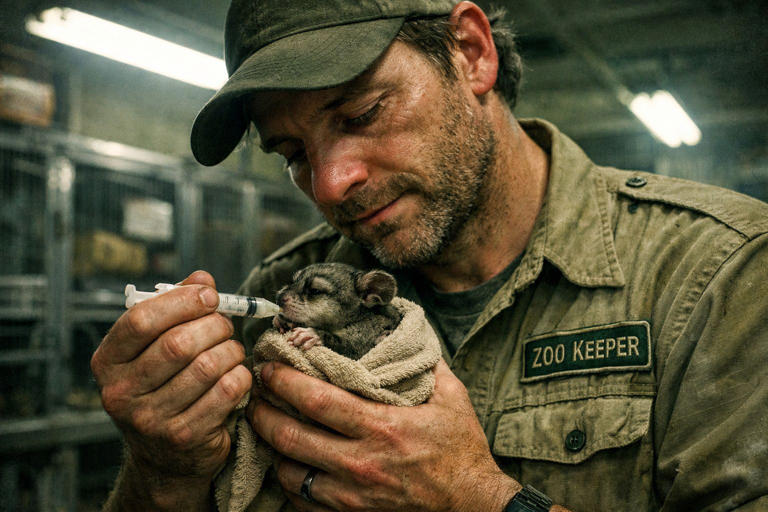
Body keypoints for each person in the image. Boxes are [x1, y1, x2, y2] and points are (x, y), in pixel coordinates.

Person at [91, 0, 768, 510]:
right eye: (294, 154)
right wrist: (163, 473)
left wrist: (482, 500)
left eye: (360, 115)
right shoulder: (285, 289)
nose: (329, 184)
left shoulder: (717, 275)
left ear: (472, 53)